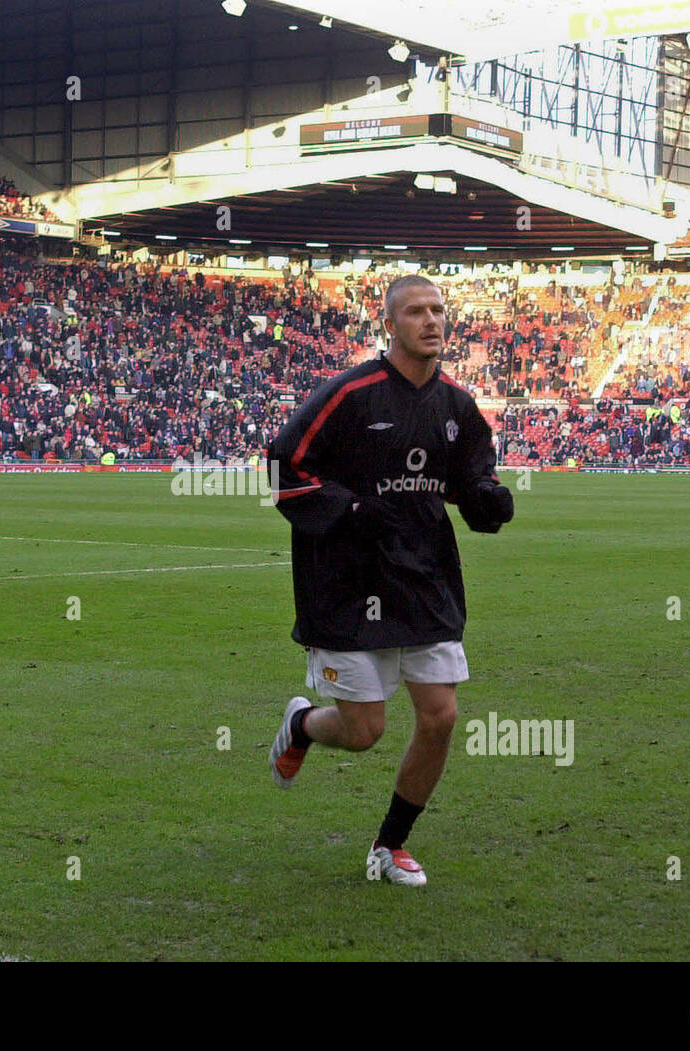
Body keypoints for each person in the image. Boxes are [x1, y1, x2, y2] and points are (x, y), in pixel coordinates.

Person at [266, 274, 514, 887]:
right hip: (348, 582)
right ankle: (302, 724)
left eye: (438, 311)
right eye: (415, 312)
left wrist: (485, 499)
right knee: (363, 731)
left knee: (441, 715)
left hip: (425, 577)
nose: (431, 321)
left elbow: (469, 476)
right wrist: (350, 511)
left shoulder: (458, 406)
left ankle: (390, 845)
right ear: (389, 324)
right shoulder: (349, 395)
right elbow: (282, 468)